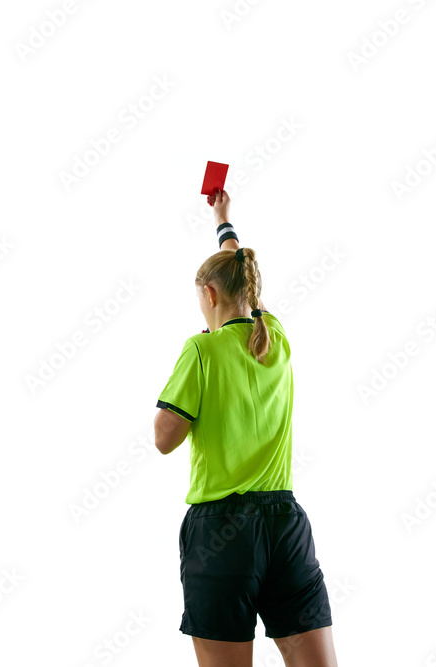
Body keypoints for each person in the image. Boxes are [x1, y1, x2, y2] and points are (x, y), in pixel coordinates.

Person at [153, 189, 338, 667]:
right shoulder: (272, 337)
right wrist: (223, 221)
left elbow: (164, 439)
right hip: (285, 528)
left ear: (208, 295)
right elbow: (244, 278)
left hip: (222, 534)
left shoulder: (201, 351)